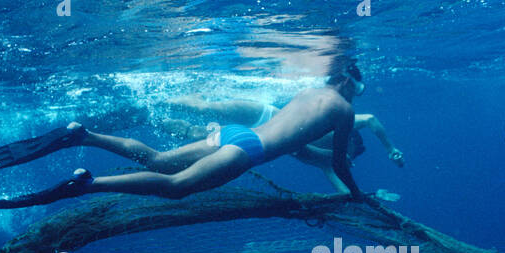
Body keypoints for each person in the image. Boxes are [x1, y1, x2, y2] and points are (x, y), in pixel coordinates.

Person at [0, 63, 369, 208]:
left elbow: (297, 142)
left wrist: (326, 163)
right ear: (351, 85)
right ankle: (89, 184)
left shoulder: (307, 93)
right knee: (176, 187)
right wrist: (354, 192)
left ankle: (85, 135)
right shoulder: (345, 110)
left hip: (239, 134)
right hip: (247, 150)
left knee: (158, 161)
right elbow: (337, 161)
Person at [161, 94, 404, 193]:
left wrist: (363, 196)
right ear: (350, 138)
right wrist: (391, 149)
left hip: (255, 137)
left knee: (198, 134)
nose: (346, 154)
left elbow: (342, 188)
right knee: (207, 106)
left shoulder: (328, 160)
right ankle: (165, 98)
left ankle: (162, 118)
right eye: (351, 150)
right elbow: (371, 119)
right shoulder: (343, 125)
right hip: (264, 114)